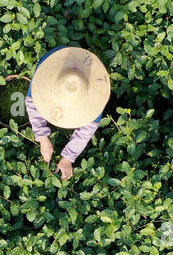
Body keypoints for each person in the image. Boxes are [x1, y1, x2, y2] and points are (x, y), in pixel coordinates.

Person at [25, 46, 111, 180]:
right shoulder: (45, 69)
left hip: (84, 69)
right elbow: (32, 103)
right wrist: (42, 137)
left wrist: (68, 157)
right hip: (59, 59)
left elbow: (87, 128)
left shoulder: (94, 98)